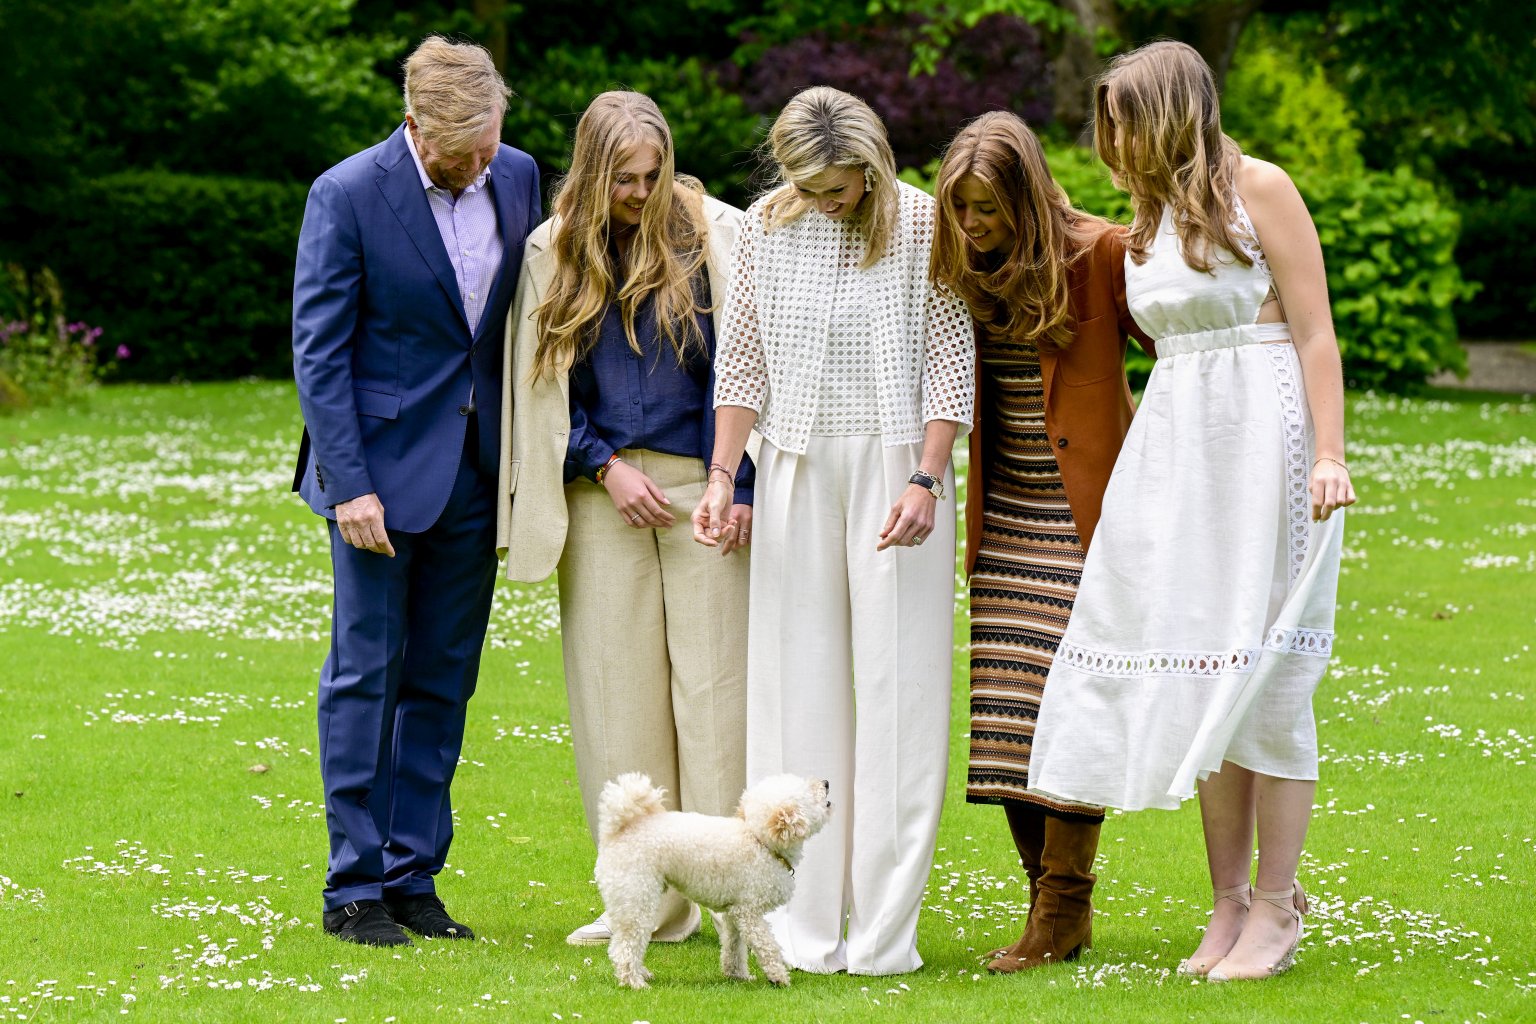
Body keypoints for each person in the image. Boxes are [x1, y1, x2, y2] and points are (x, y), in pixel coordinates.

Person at [1027, 40, 1356, 982]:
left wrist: (1329, 453)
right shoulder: (1148, 220)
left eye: (1121, 122)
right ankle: (1229, 907)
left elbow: (1315, 329)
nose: (1110, 143)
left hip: (1268, 442)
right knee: (1208, 668)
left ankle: (1281, 908)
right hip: (1182, 449)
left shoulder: (1264, 188)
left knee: (1270, 679)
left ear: (1167, 111)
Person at [693, 85, 975, 976]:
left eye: (839, 188)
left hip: (899, 469)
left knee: (901, 693)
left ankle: (886, 934)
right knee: (794, 689)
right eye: (809, 187)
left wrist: (928, 477)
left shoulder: (926, 224)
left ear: (874, 166)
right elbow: (740, 360)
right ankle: (801, 927)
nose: (823, 203)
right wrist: (720, 477)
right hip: (791, 468)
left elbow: (949, 358)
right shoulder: (765, 228)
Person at [291, 36, 541, 947]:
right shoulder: (348, 193)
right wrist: (347, 484)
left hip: (478, 472)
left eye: (489, 141)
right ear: (414, 123)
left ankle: (413, 876)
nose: (480, 163)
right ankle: (352, 887)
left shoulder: (518, 176)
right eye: (461, 150)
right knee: (365, 679)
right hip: (378, 487)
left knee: (443, 681)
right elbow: (320, 354)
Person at [494, 91, 752, 947]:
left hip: (702, 480)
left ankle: (729, 896)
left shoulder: (718, 233)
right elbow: (541, 390)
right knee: (615, 697)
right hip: (598, 487)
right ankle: (639, 901)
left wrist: (735, 482)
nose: (642, 191)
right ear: (595, 170)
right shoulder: (551, 247)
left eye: (654, 174)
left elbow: (747, 369)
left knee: (716, 696)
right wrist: (603, 465)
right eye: (626, 179)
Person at [930, 110, 1154, 973]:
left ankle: (1064, 907)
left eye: (987, 209)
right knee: (1004, 717)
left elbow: (1183, 345)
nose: (973, 225)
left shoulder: (1099, 255)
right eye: (961, 208)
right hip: (1006, 508)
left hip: (1083, 516)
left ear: (1025, 197)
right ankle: (1047, 905)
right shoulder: (960, 265)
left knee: (1066, 706)